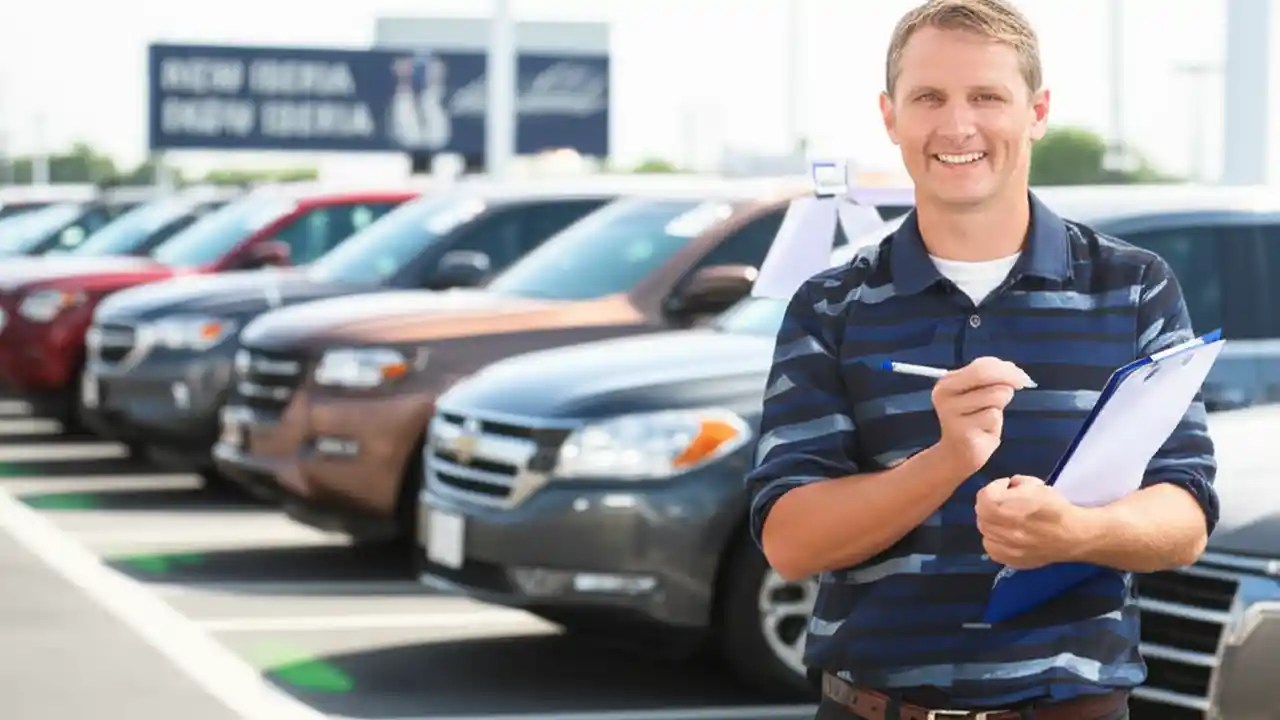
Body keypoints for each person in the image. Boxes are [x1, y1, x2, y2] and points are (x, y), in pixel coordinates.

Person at [745, 1, 1219, 719]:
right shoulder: (833, 305)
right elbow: (789, 541)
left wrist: (1076, 532)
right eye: (928, 97)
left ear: (1037, 110)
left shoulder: (1132, 287)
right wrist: (947, 459)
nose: (957, 126)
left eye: (987, 97)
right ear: (890, 115)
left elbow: (1185, 517)